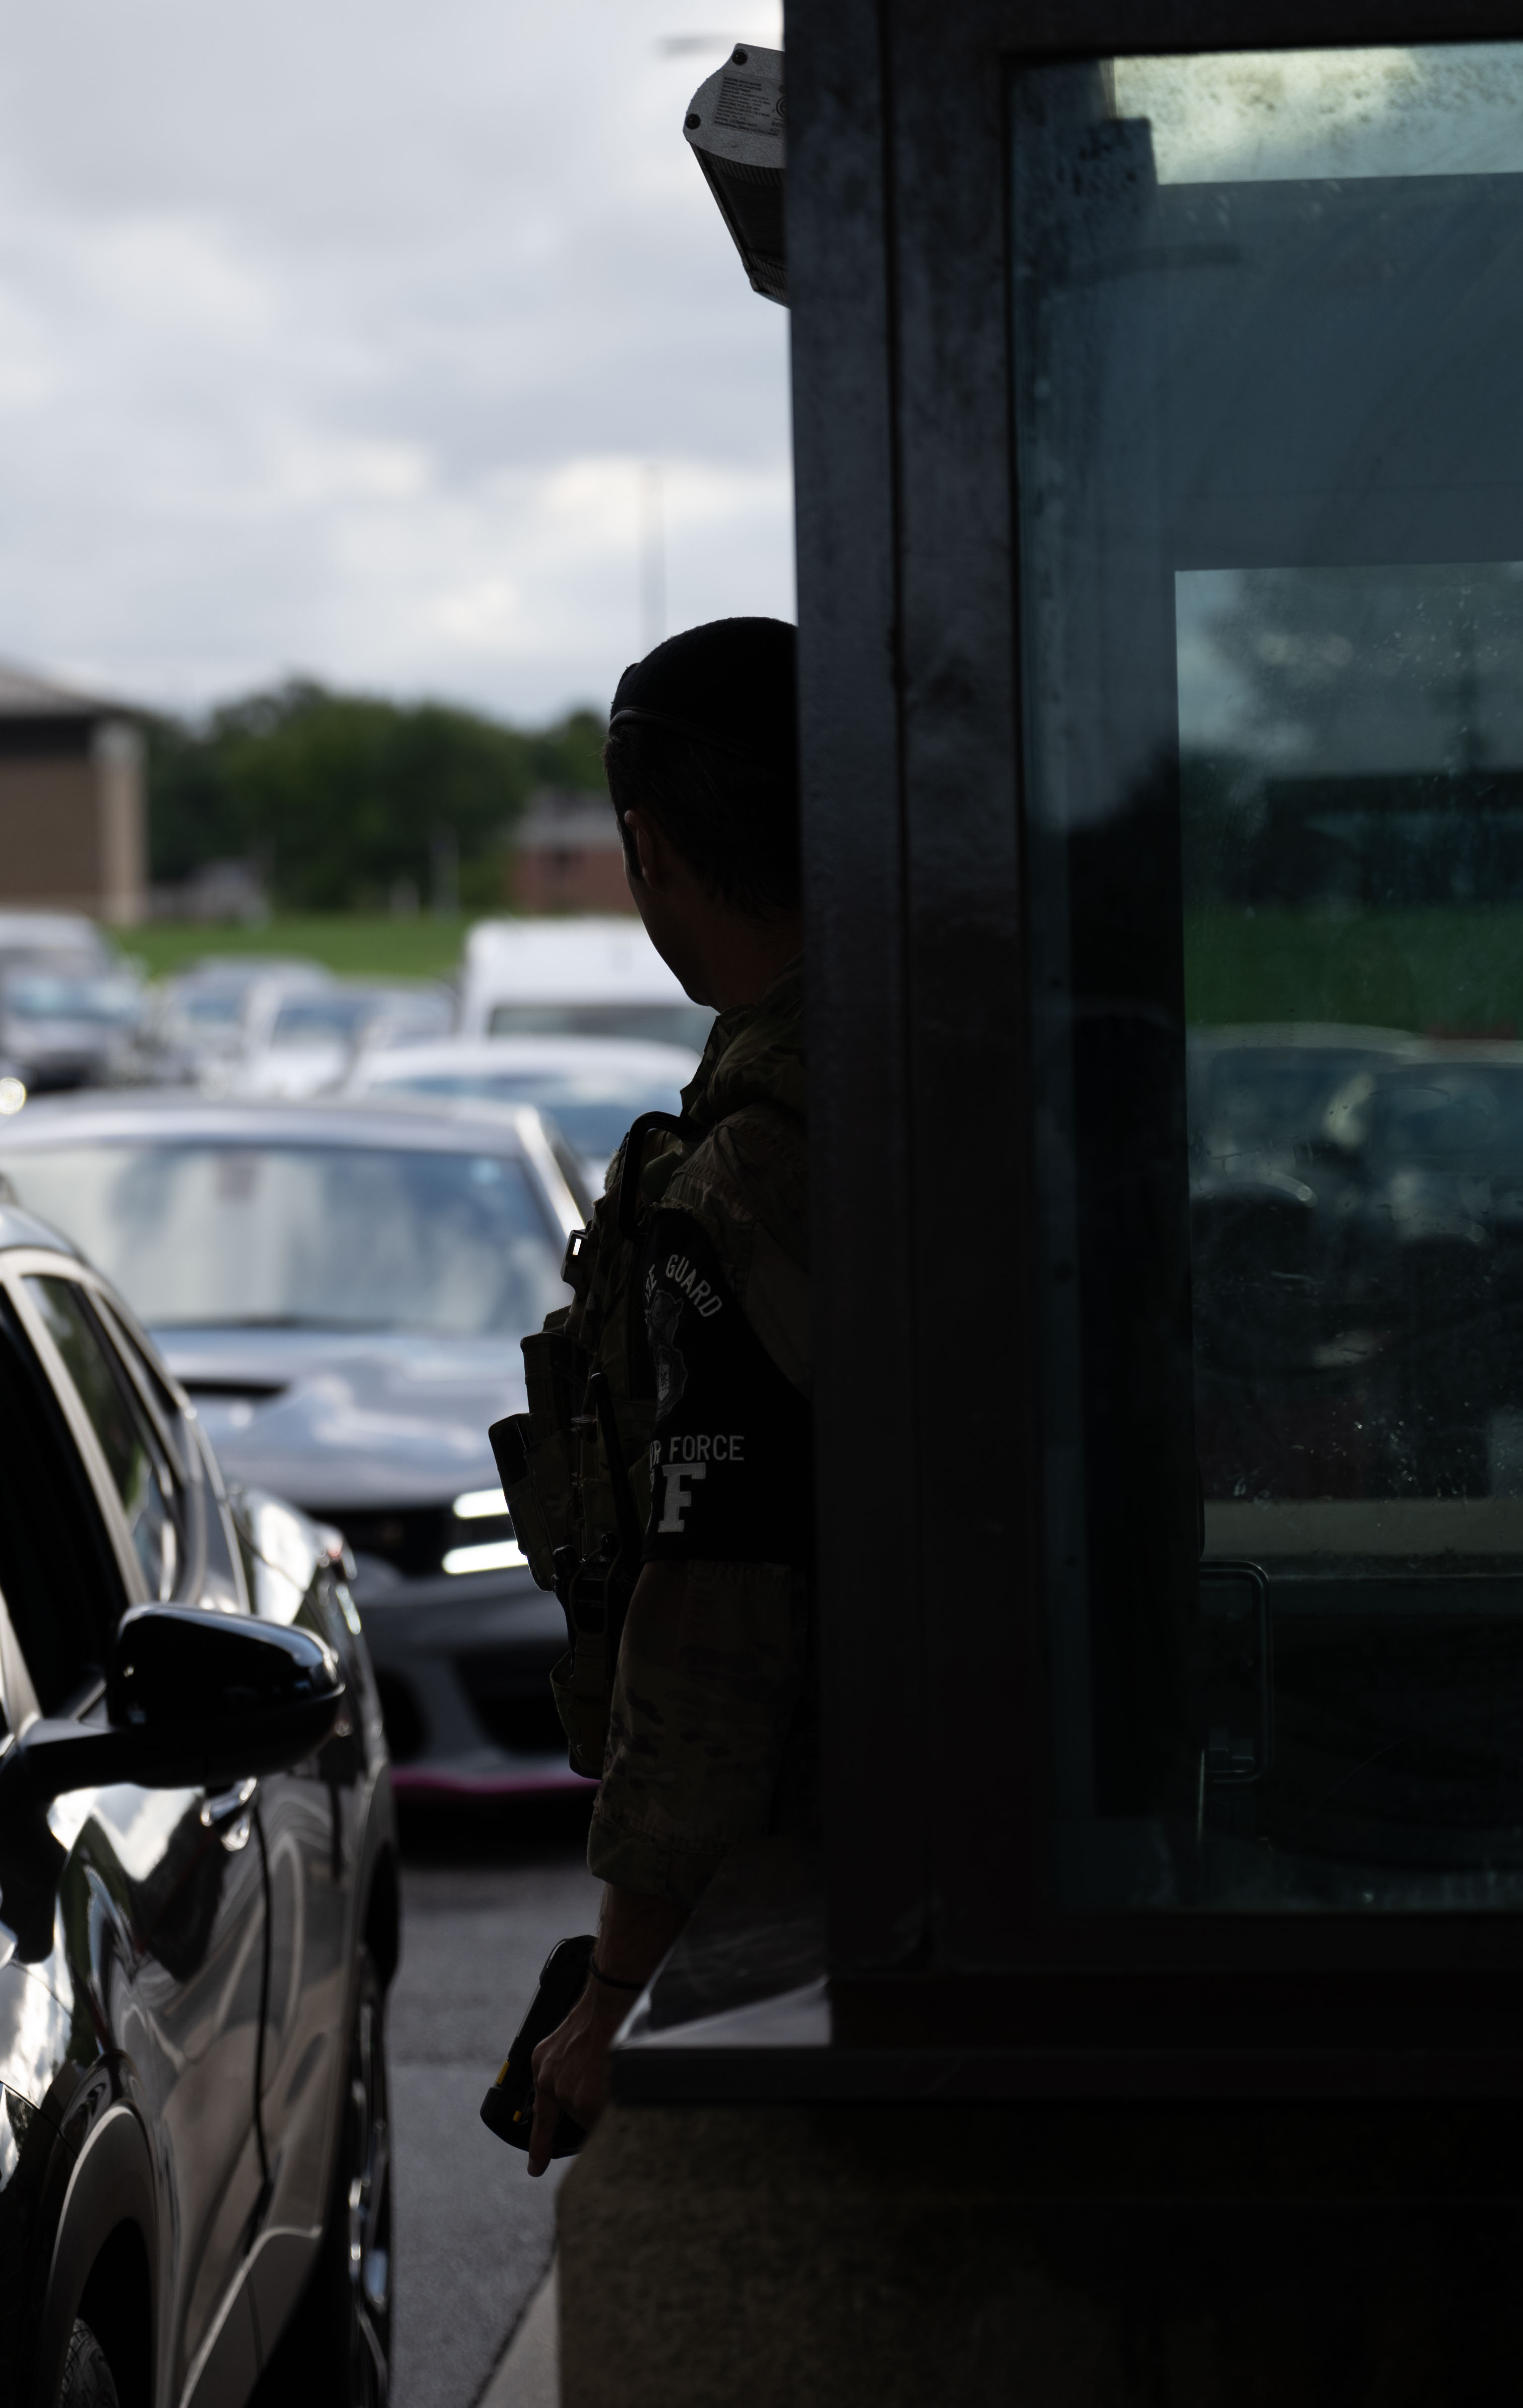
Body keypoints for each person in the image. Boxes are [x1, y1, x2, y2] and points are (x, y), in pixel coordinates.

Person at [514, 616, 812, 2159]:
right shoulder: (932, 1054)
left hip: (824, 1857)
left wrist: (619, 1980)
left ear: (644, 844)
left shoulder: (755, 1166)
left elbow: (718, 1589)